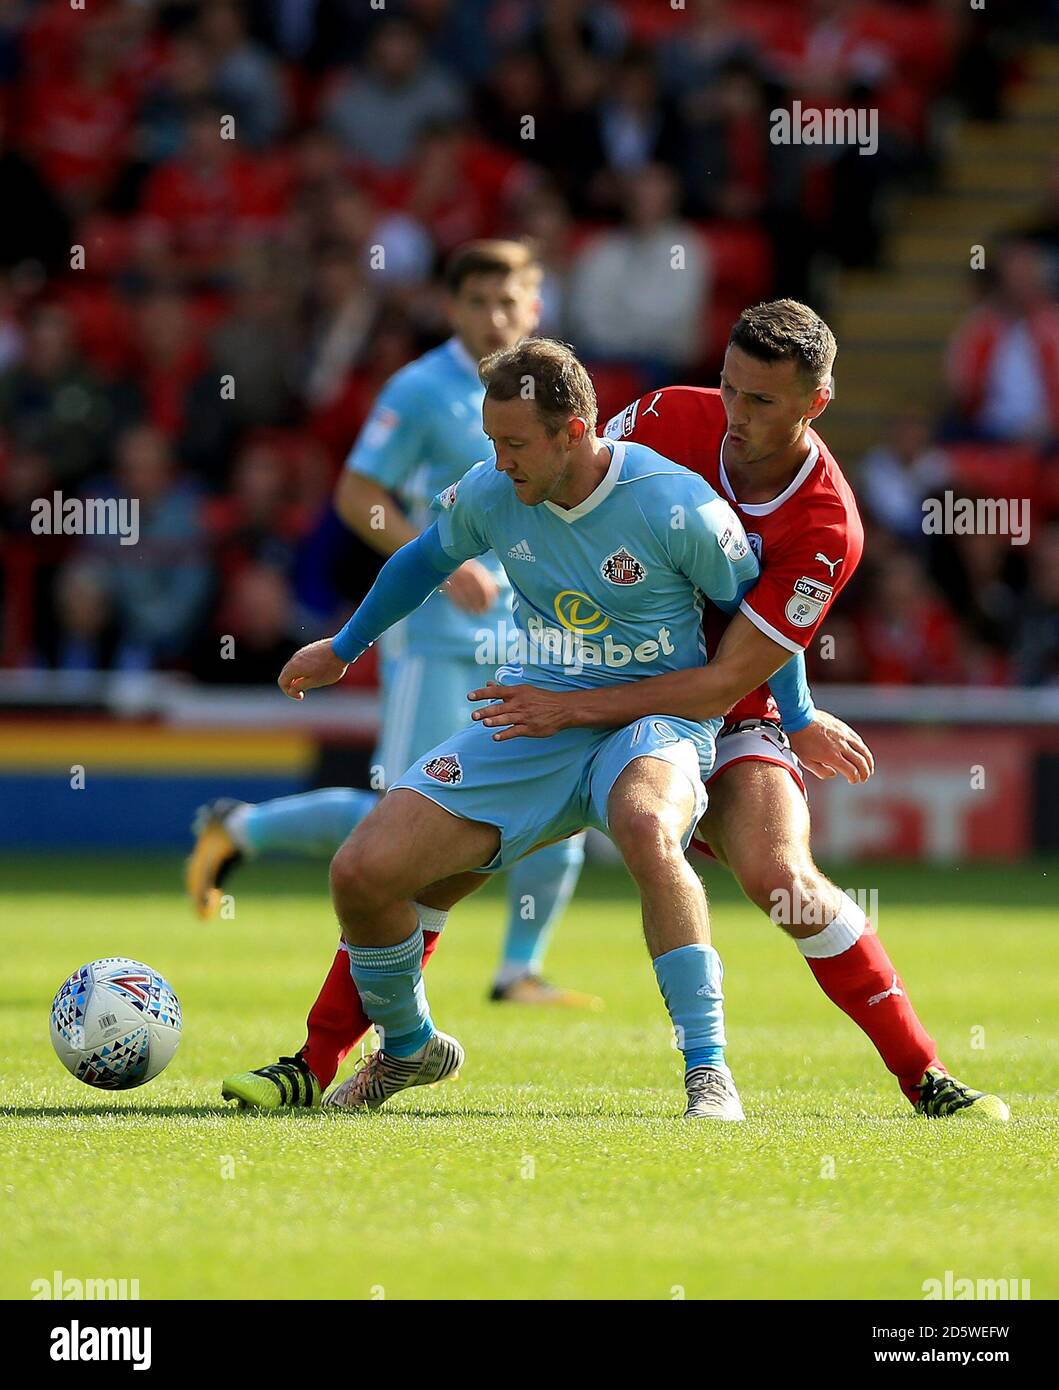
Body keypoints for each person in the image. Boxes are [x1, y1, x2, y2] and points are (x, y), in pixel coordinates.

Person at [472, 301, 1008, 1122]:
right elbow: (558, 486)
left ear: (815, 402)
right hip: (580, 677)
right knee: (426, 849)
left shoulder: (826, 524)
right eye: (729, 388)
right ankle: (333, 1057)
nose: (734, 415)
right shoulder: (663, 414)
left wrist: (789, 715)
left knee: (780, 877)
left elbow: (726, 679)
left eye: (761, 401)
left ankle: (923, 1075)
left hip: (707, 706)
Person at [272, 336, 820, 1120]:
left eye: (515, 444)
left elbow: (762, 622)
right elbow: (422, 560)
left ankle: (707, 1070)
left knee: (642, 824)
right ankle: (409, 1045)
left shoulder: (675, 505)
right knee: (361, 873)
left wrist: (796, 719)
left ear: (575, 432)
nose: (499, 462)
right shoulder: (494, 492)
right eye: (492, 443)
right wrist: (342, 647)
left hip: (655, 716)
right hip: (537, 712)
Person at [193, 242, 600, 1114]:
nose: (497, 315)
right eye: (480, 299)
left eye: (512, 299)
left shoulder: (549, 396)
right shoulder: (421, 389)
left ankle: (514, 971)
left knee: (545, 826)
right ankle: (247, 830)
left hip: (527, 645)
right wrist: (435, 560)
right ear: (452, 306)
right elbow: (357, 496)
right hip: (435, 639)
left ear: (536, 304)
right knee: (406, 822)